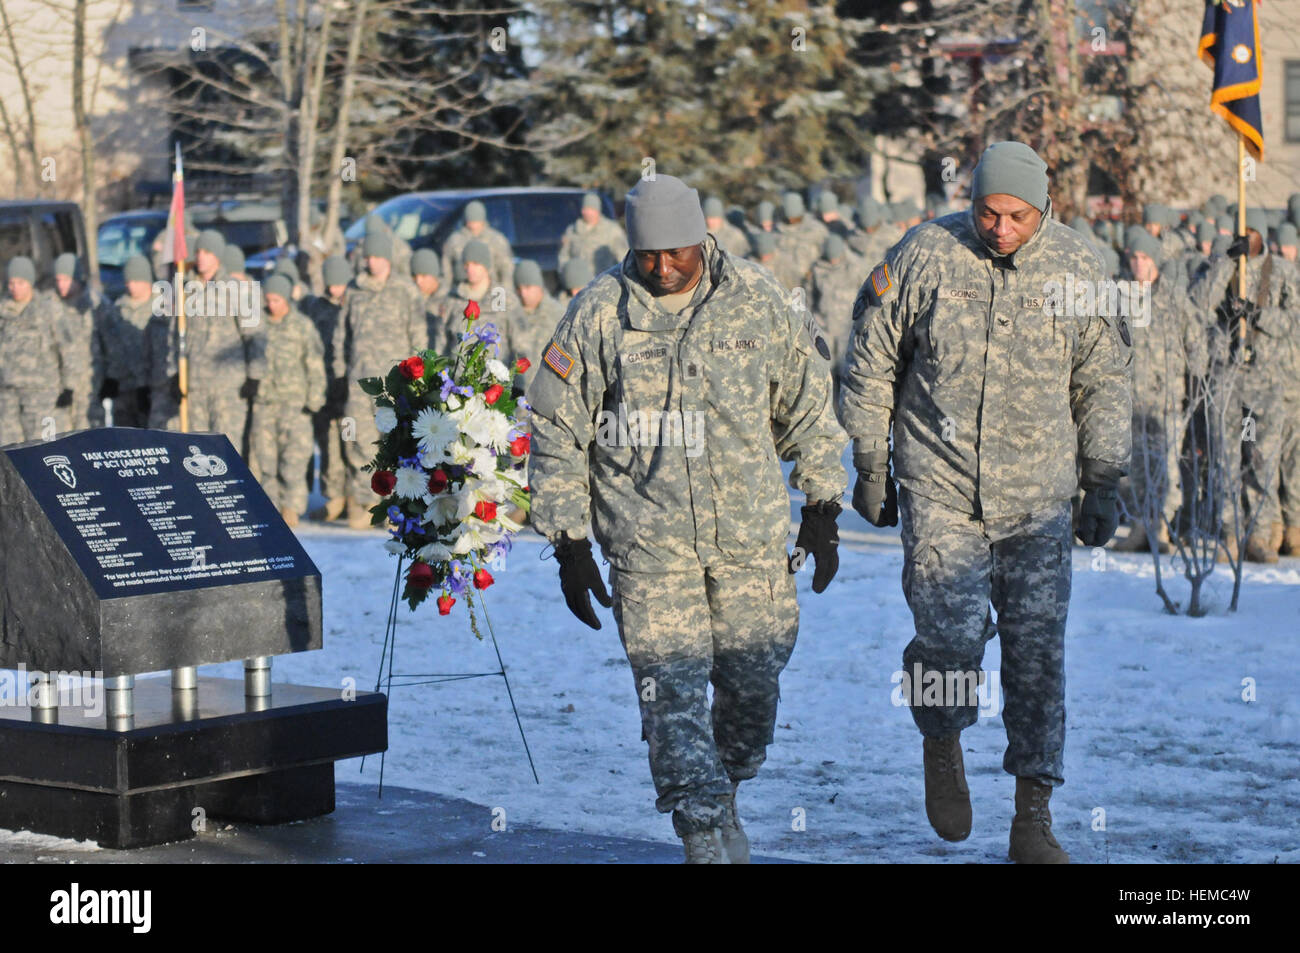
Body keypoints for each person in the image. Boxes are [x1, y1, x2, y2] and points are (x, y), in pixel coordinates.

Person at [527, 173, 847, 863]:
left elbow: (808, 404)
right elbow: (555, 428)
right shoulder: (599, 314)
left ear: (704, 237)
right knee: (670, 695)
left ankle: (723, 789)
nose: (663, 267)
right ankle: (703, 831)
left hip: (748, 541)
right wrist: (568, 540)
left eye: (677, 252)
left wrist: (822, 503)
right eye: (648, 256)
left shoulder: (755, 301)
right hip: (650, 546)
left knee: (753, 689)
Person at [838, 141, 1132, 864]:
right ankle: (943, 738)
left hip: (1037, 499)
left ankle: (1033, 814)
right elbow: (871, 356)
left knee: (1036, 654)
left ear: (1045, 209)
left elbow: (1105, 376)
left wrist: (1104, 476)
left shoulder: (1077, 268)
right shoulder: (925, 255)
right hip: (940, 486)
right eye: (988, 212)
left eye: (1017, 216)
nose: (1000, 227)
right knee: (948, 637)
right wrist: (870, 460)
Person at [331, 228, 427, 529]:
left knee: (396, 442)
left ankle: (395, 504)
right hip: (359, 379)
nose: (372, 262)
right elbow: (341, 336)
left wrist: (418, 376)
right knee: (359, 441)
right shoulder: (354, 290)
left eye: (378, 256)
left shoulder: (405, 290)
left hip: (396, 382)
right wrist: (338, 370)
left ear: (388, 258)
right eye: (368, 256)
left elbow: (419, 335)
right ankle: (364, 501)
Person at [168, 230, 266, 460]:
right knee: (197, 451)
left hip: (228, 387)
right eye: (199, 251)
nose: (201, 257)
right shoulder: (184, 290)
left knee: (226, 450)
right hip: (194, 386)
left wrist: (254, 375)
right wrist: (173, 373)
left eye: (208, 252)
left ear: (218, 256)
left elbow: (255, 335)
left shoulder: (237, 290)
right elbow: (174, 336)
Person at [251, 274, 326, 527]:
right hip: (264, 401)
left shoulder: (302, 326)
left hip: (295, 403)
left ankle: (291, 506)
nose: (271, 304)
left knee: (294, 458)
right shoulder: (257, 325)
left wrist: (315, 397)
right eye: (268, 299)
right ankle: (270, 505)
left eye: (276, 299)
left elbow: (314, 364)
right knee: (265, 457)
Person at [302, 255, 352, 521]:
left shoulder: (356, 302)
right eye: (331, 284)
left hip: (351, 384)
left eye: (340, 283)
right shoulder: (316, 308)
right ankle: (335, 497)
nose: (335, 289)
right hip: (325, 384)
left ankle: (358, 498)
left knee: (353, 443)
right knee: (329, 443)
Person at [0, 256, 63, 444]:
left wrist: (69, 387)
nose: (15, 288)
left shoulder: (48, 309)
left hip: (41, 394)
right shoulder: (3, 311)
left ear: (30, 282)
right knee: (9, 451)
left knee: (42, 450)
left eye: (20, 282)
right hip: (7, 392)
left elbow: (66, 350)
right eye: (11, 283)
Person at [49, 253, 104, 430]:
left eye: (66, 279)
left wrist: (110, 377)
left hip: (90, 389)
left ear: (77, 279)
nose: (61, 285)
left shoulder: (96, 305)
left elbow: (112, 344)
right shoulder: (49, 307)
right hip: (59, 391)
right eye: (58, 280)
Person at [101, 255, 156, 429]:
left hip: (152, 390)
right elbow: (109, 347)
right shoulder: (117, 309)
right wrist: (111, 378)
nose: (130, 285)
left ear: (146, 280)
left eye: (135, 280)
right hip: (124, 389)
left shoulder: (161, 308)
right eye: (127, 281)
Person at [502, 259, 562, 393]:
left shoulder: (558, 315)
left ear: (539, 286)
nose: (523, 293)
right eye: (519, 289)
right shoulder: (511, 315)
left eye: (528, 287)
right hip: (518, 395)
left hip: (549, 394)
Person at [440, 200, 513, 290]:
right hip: (461, 292)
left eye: (476, 219)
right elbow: (446, 271)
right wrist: (447, 292)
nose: (473, 223)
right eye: (471, 219)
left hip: (490, 291)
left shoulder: (496, 240)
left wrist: (504, 293)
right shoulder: (455, 240)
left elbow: (506, 270)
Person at [558, 192, 628, 275]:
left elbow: (624, 258)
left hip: (604, 282)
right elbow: (564, 256)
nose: (584, 212)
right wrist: (567, 276)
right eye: (583, 209)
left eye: (588, 208)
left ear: (596, 210)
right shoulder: (572, 230)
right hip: (580, 284)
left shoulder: (612, 230)